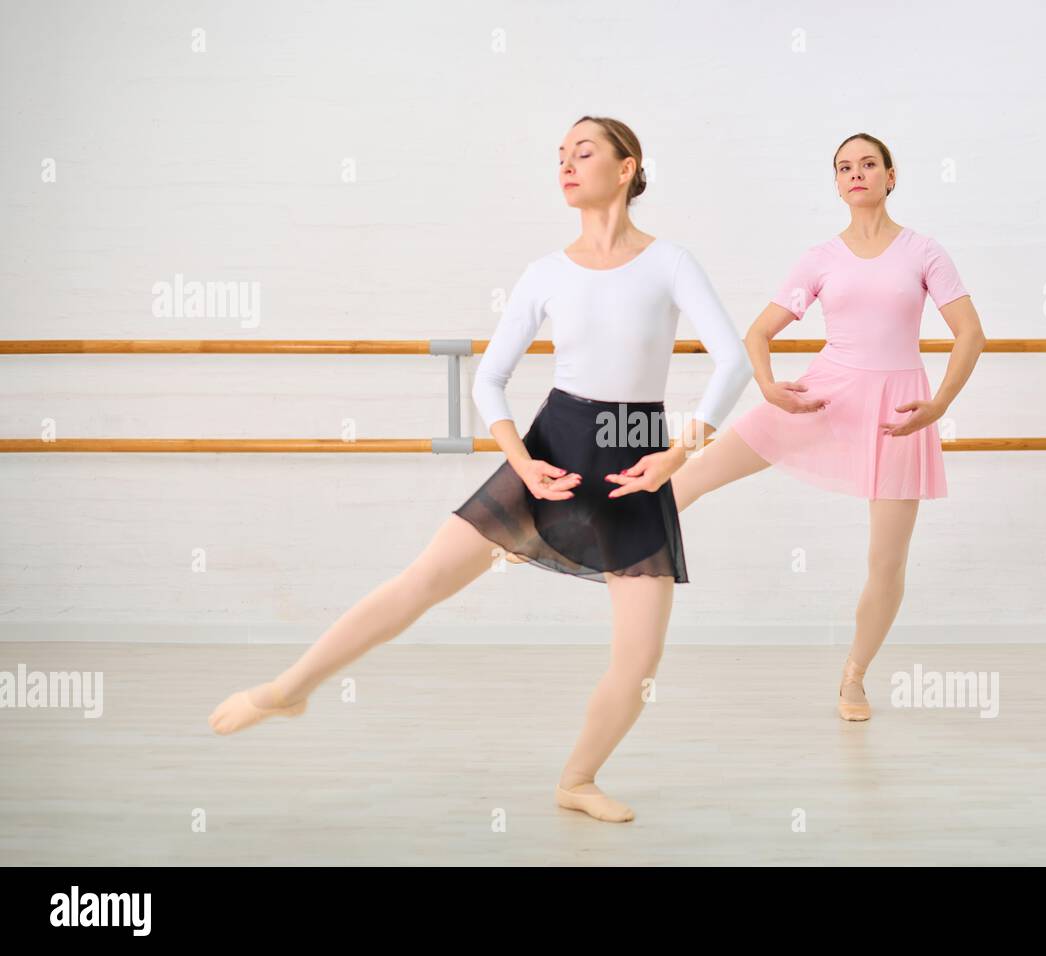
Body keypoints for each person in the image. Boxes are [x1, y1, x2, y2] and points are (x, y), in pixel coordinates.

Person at [208, 115, 752, 824]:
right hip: (554, 446)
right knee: (423, 580)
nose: (566, 163)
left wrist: (679, 453)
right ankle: (290, 688)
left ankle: (577, 780)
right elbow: (489, 381)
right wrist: (522, 463)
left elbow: (734, 362)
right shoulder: (545, 273)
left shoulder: (670, 262)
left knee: (640, 656)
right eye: (559, 155)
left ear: (627, 167)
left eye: (583, 152)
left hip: (634, 458)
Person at [668, 132, 987, 721]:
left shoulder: (924, 252)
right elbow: (759, 333)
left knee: (886, 561)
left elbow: (970, 332)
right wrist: (768, 387)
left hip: (900, 411)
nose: (856, 173)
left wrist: (940, 403)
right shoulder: (819, 258)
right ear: (836, 183)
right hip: (825, 396)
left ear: (891, 176)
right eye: (845, 167)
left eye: (869, 164)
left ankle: (854, 676)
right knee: (700, 471)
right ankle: (625, 546)